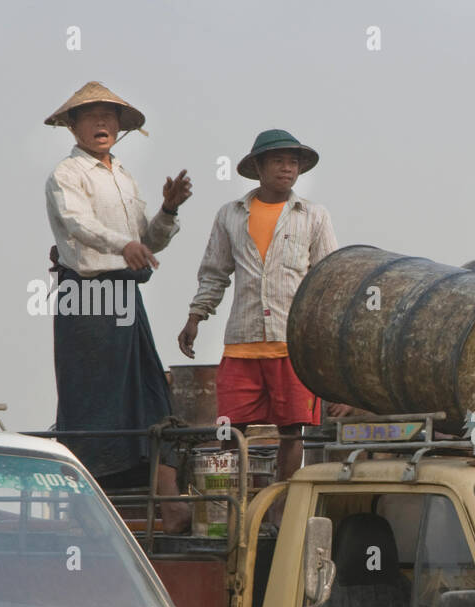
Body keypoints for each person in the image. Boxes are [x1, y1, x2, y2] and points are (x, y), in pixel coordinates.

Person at [44, 81, 192, 532]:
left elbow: (147, 242)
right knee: (95, 406)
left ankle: (172, 507)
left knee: (151, 395)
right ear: (73, 125)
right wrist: (123, 243)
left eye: (109, 116)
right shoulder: (66, 175)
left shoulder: (124, 177)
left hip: (126, 294)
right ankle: (88, 516)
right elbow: (77, 224)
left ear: (119, 126)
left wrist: (167, 211)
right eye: (91, 116)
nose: (102, 123)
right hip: (86, 298)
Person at [178, 129, 341, 488]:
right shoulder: (231, 215)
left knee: (292, 432)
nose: (287, 169)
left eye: (293, 162)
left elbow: (327, 281)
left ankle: (282, 507)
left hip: (291, 344)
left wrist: (326, 343)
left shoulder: (313, 216)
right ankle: (228, 505)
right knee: (229, 431)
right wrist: (195, 316)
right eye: (279, 161)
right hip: (242, 343)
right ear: (259, 167)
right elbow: (214, 272)